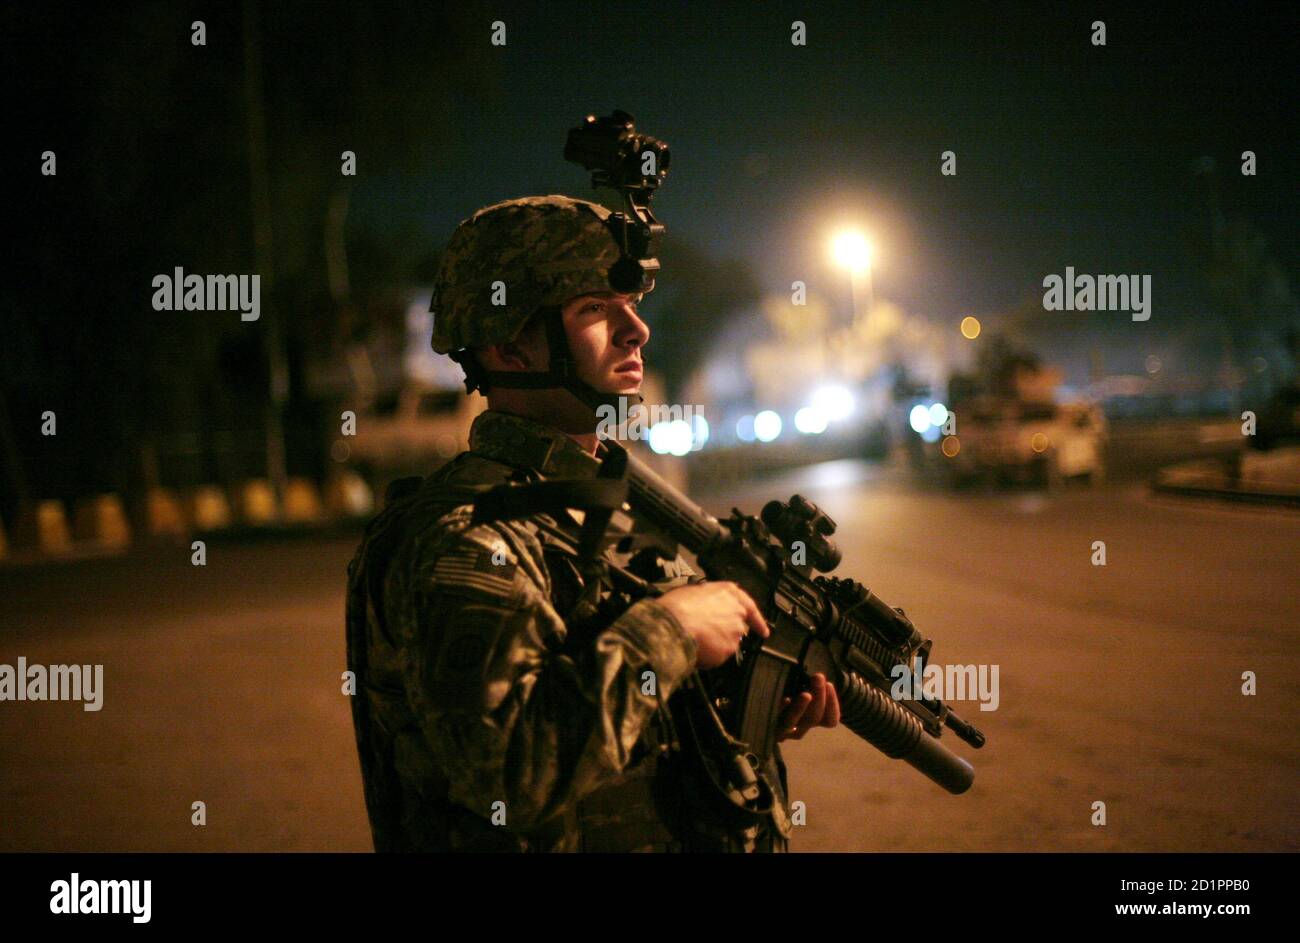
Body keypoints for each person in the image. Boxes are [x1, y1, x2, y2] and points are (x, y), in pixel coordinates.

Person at [345, 194, 839, 852]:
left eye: (631, 306)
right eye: (594, 310)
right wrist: (673, 631)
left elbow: (613, 734)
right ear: (508, 345)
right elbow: (505, 774)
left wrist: (726, 708)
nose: (637, 330)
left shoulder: (602, 507)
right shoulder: (467, 535)